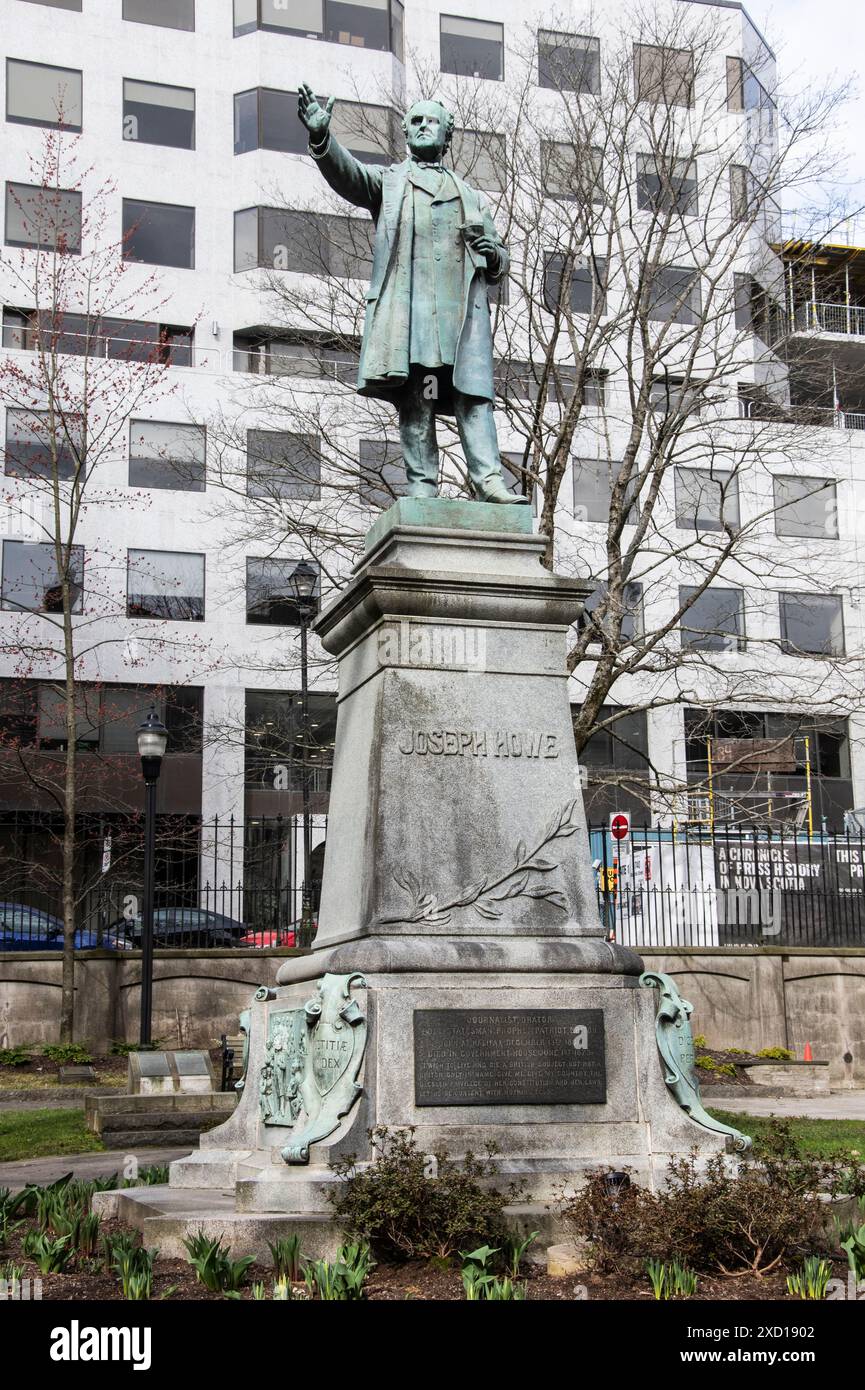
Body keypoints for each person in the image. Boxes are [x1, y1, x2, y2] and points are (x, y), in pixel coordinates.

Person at [298, 84, 527, 505]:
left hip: (460, 319)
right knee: (418, 397)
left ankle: (489, 481)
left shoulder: (471, 196)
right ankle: (422, 485)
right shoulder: (390, 182)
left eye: (432, 121)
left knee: (472, 399)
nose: (424, 127)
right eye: (416, 121)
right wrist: (322, 139)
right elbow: (350, 177)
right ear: (405, 132)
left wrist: (491, 252)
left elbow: (499, 263)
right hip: (412, 314)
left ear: (447, 134)